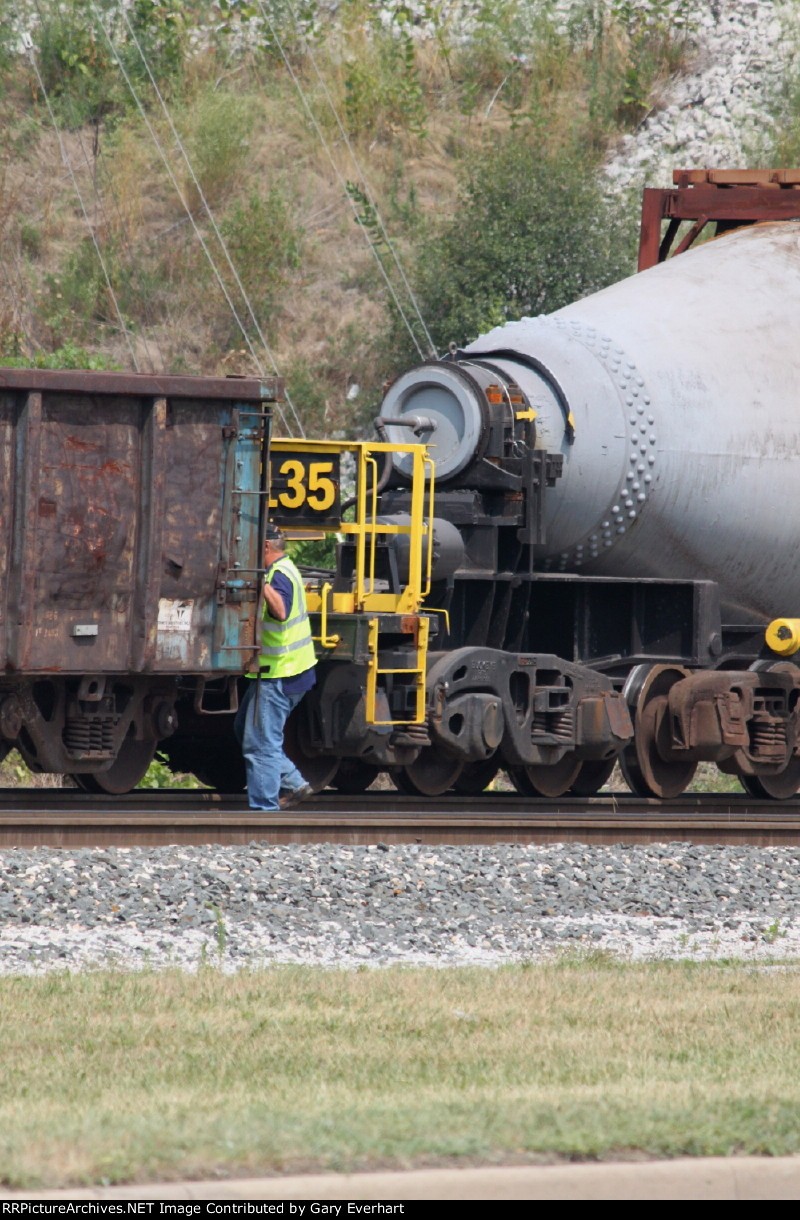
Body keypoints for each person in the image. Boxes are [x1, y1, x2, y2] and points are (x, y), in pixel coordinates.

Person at [234, 523, 317, 811]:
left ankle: (264, 810)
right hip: (286, 671)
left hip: (279, 674)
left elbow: (280, 611)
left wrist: (261, 585)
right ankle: (293, 783)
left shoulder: (277, 575)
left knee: (260, 745)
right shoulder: (286, 569)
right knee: (246, 729)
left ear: (266, 547)